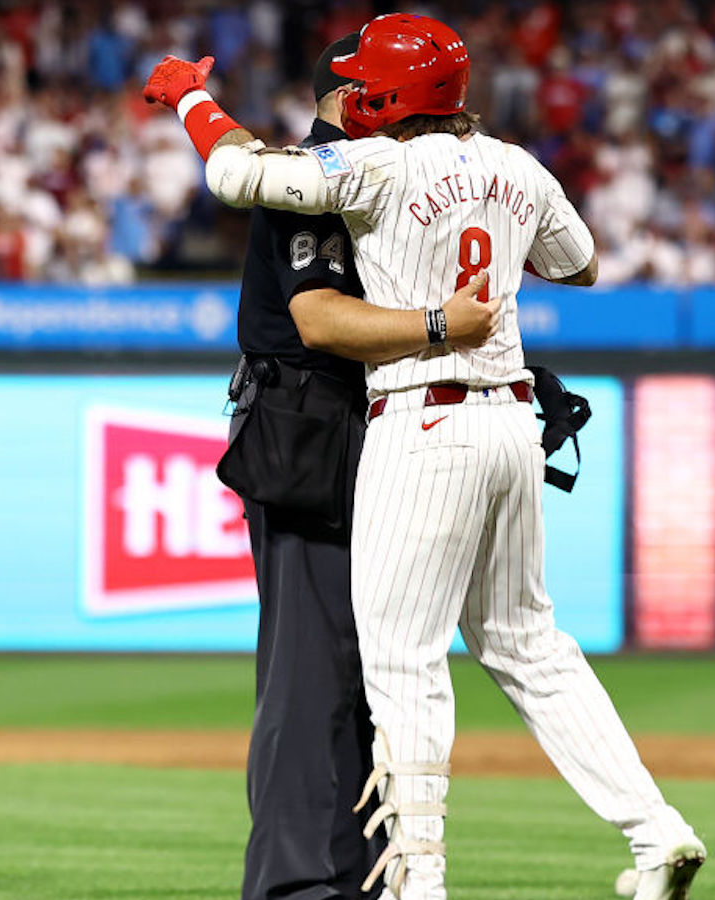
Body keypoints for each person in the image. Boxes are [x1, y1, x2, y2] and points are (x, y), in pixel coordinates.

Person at [145, 14, 705, 900]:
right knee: (530, 645)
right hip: (511, 419)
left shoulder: (369, 165)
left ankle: (420, 881)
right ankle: (655, 831)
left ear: (383, 95)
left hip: (421, 419)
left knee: (400, 659)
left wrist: (191, 95)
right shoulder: (515, 164)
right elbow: (583, 263)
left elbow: (234, 170)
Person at [221, 33, 502, 900]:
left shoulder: (385, 178)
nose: (416, 117)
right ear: (352, 97)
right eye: (396, 96)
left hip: (389, 435)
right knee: (312, 673)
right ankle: (296, 884)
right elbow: (321, 321)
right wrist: (440, 328)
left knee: (383, 669)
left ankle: (364, 879)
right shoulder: (313, 179)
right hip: (307, 435)